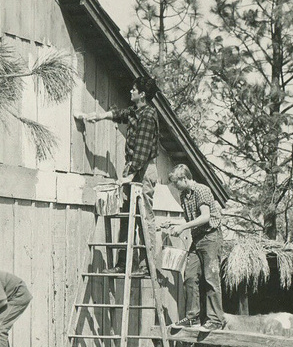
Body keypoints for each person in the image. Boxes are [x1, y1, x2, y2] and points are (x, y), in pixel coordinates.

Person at [76, 76, 162, 274]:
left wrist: (131, 175)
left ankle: (148, 266)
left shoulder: (148, 116)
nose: (130, 91)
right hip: (134, 167)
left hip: (143, 169)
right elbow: (122, 114)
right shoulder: (136, 111)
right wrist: (100, 116)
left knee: (144, 217)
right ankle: (123, 264)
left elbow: (142, 149)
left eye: (134, 89)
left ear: (142, 94)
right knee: (127, 217)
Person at [166, 164, 226, 331]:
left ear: (185, 178)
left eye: (177, 183)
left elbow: (205, 217)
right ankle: (193, 318)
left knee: (210, 278)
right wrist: (173, 223)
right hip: (198, 238)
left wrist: (183, 228)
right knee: (190, 276)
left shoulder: (202, 190)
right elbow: (191, 220)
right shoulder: (184, 195)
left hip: (211, 237)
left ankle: (215, 320)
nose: (175, 186)